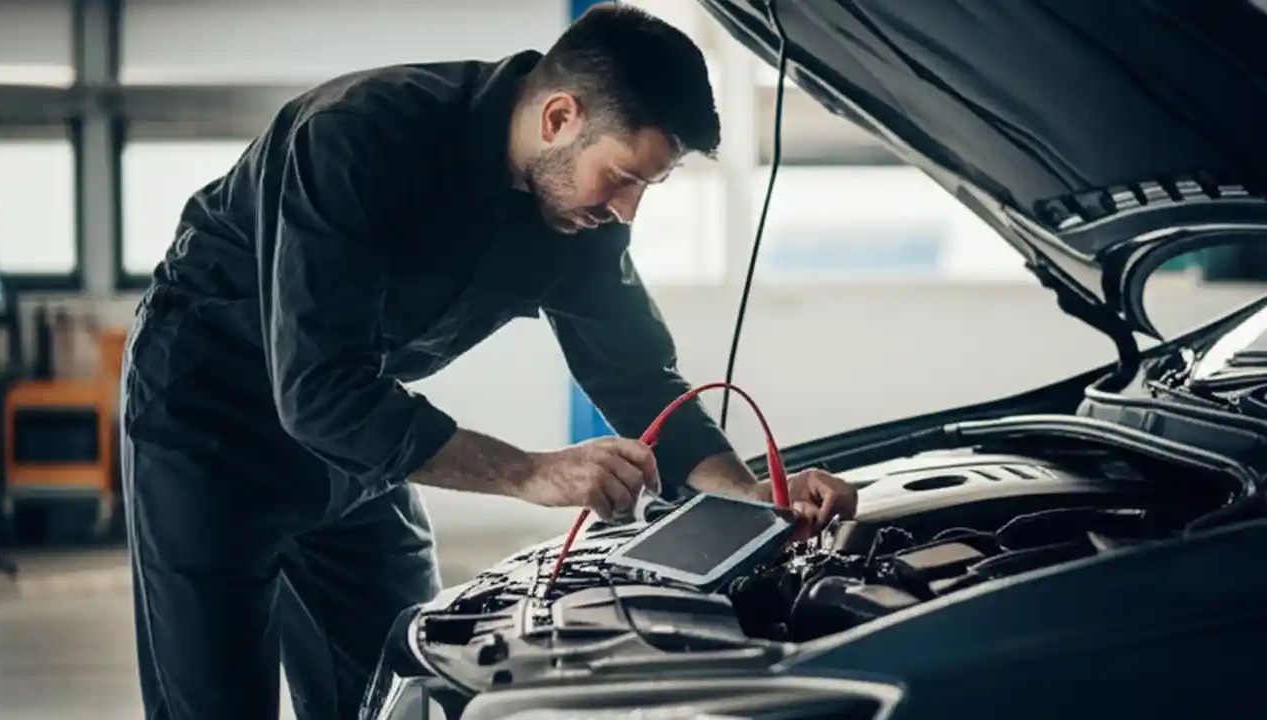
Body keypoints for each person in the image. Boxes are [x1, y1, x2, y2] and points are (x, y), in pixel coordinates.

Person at [120, 4, 857, 719]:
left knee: (398, 678)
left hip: (360, 425)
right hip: (209, 420)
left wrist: (748, 497)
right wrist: (529, 471)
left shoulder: (580, 217)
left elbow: (636, 374)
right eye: (625, 176)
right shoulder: (357, 138)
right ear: (559, 118)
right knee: (213, 701)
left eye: (649, 188)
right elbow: (316, 389)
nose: (628, 210)